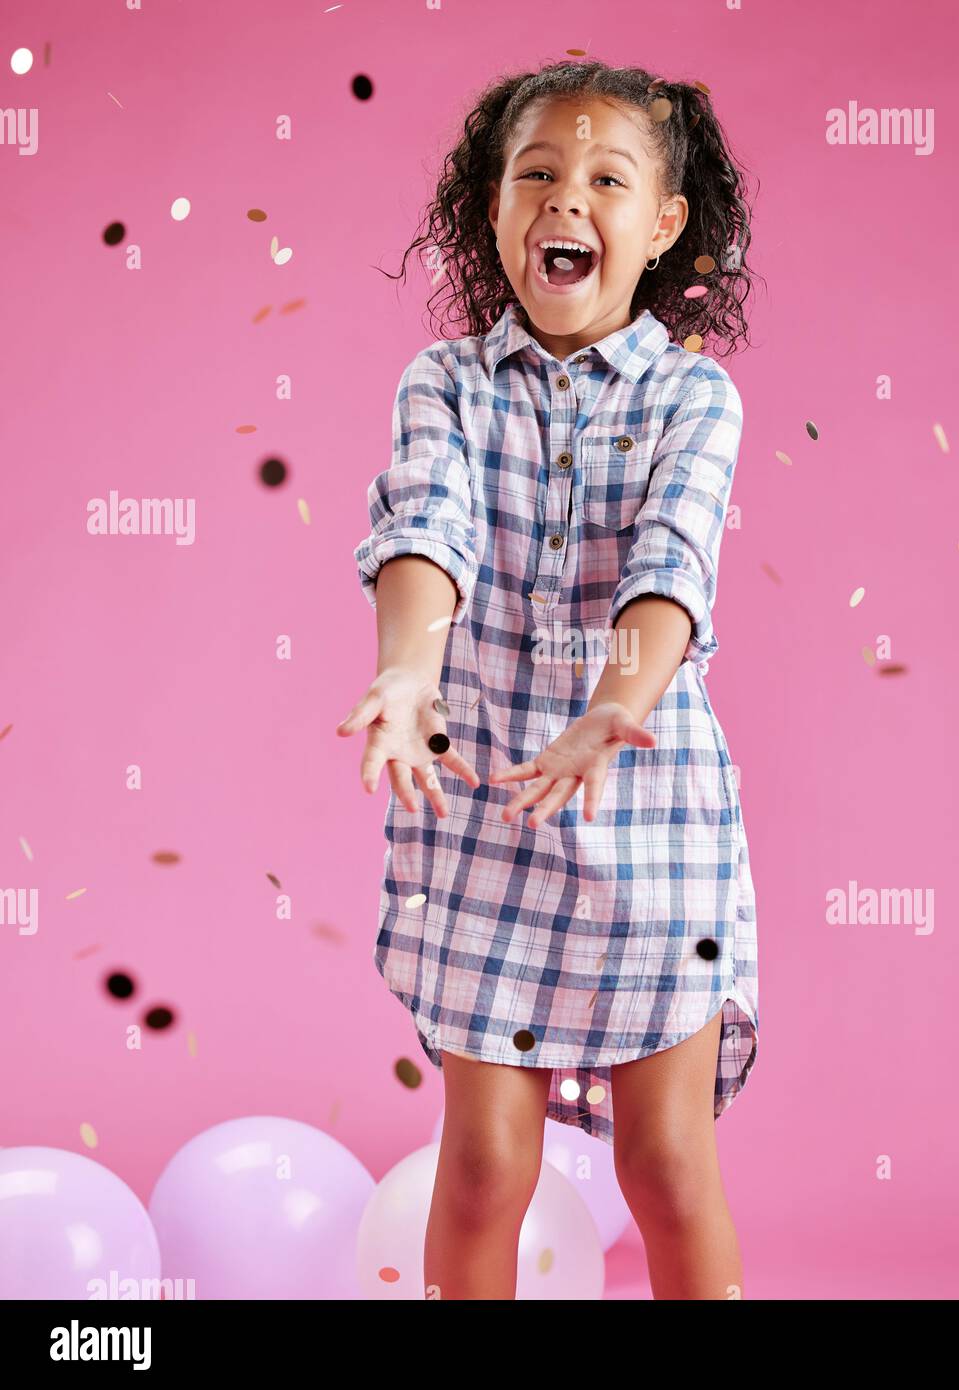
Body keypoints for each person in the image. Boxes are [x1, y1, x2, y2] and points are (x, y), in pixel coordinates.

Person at [337, 58, 762, 1300]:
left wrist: (611, 709)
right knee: (481, 1165)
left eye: (605, 179)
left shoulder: (694, 396)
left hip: (647, 807)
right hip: (489, 806)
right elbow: (426, 532)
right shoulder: (446, 384)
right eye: (537, 173)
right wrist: (407, 676)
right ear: (495, 209)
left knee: (666, 1162)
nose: (565, 197)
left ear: (663, 226)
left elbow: (670, 567)